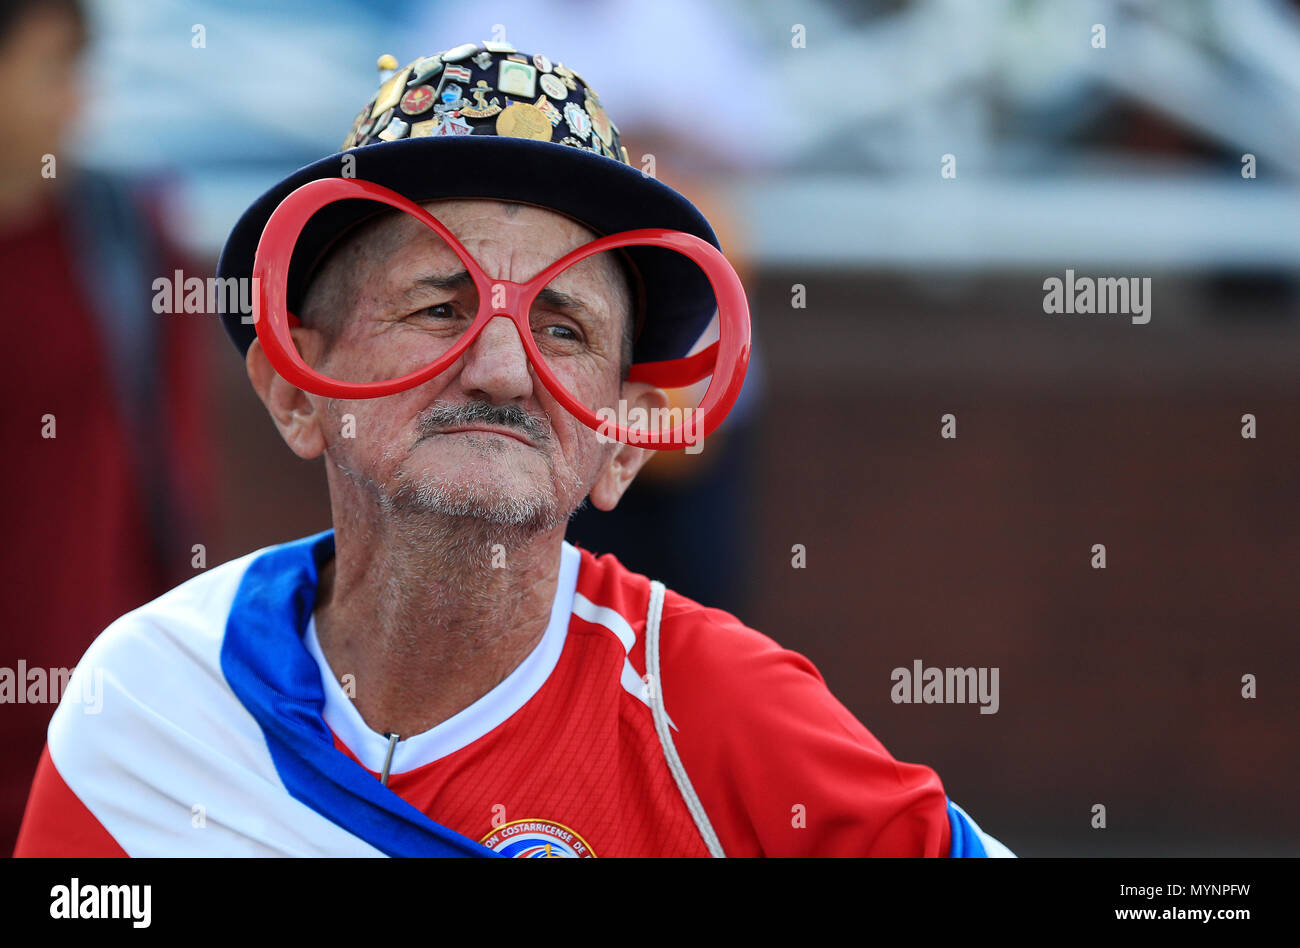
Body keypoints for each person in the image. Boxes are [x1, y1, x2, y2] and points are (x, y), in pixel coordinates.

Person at [14, 43, 1011, 857]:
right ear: (295, 387)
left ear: (625, 441)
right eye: (437, 305)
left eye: (566, 328)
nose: (500, 367)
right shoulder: (152, 707)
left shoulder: (725, 721)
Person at [0, 0, 212, 854]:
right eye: (51, 69)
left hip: (90, 710)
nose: (76, 101)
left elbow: (178, 466)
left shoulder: (125, 234)